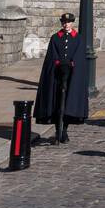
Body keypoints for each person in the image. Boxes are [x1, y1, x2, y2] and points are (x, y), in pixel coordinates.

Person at [34, 13, 89, 143]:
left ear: (72, 23)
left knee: (68, 104)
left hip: (72, 75)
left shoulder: (78, 39)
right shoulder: (55, 38)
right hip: (57, 75)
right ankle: (58, 130)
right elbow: (51, 56)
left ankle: (64, 130)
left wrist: (72, 63)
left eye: (68, 22)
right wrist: (57, 63)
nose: (66, 24)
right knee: (56, 102)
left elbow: (80, 57)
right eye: (64, 22)